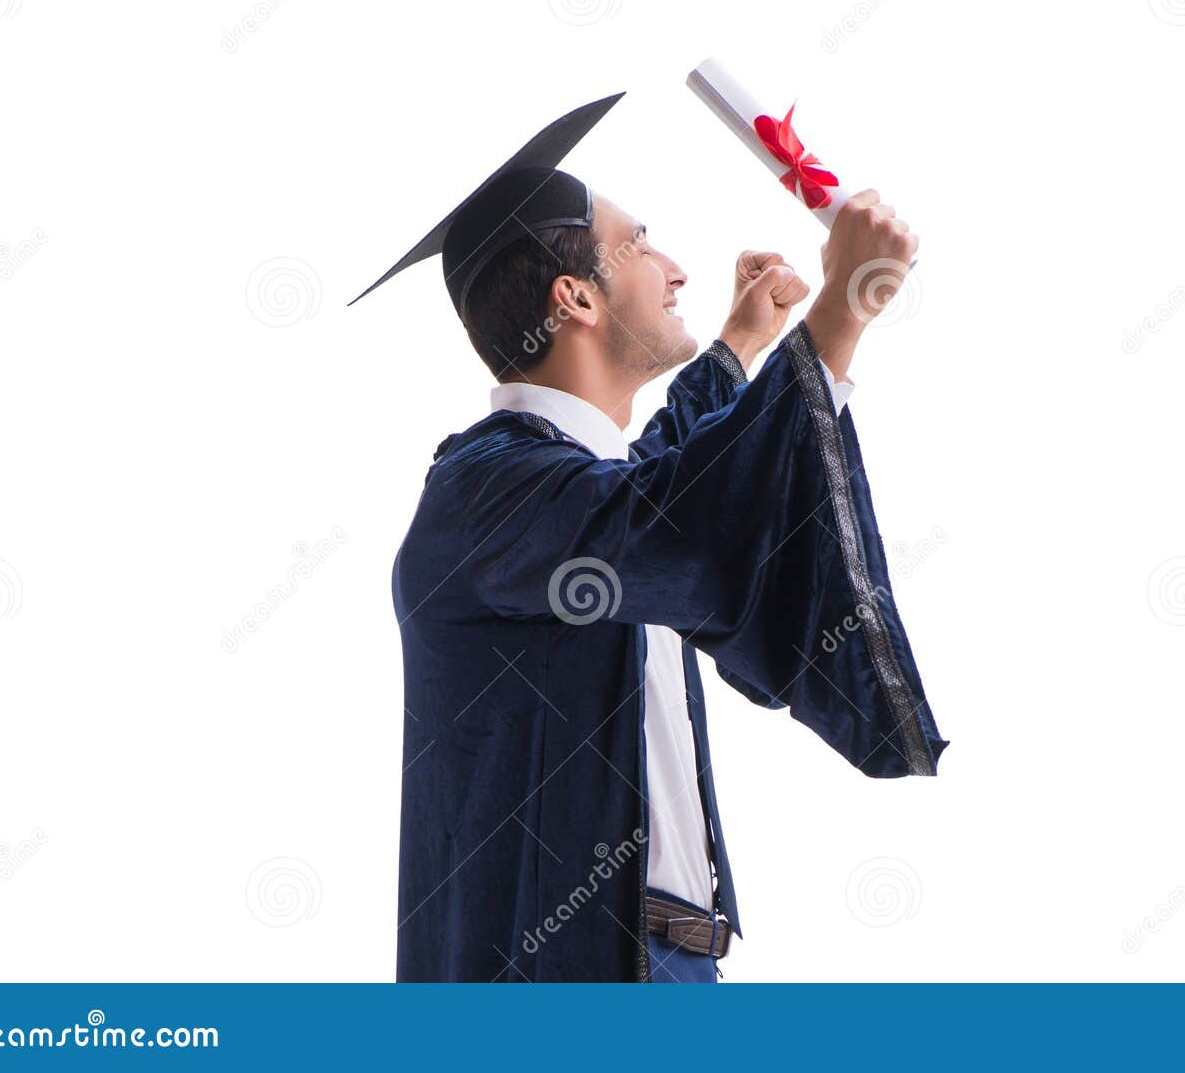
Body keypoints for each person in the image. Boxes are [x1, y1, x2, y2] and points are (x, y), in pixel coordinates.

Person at [352, 93, 948, 982]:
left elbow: (652, 499)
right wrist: (842, 309)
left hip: (673, 965)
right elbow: (675, 524)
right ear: (576, 297)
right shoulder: (483, 494)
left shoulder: (566, 497)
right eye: (638, 244)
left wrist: (742, 344)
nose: (673, 269)